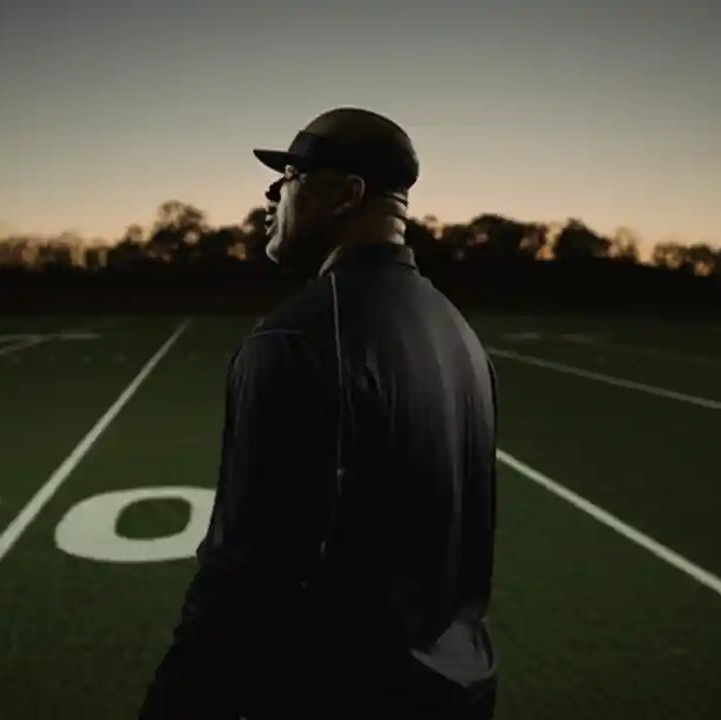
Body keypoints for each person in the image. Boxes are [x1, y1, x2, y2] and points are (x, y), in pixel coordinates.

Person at [138, 107, 499, 720]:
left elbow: (245, 574)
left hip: (347, 694)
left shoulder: (295, 339)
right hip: (458, 692)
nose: (272, 192)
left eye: (292, 175)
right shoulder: (459, 333)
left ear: (347, 195)